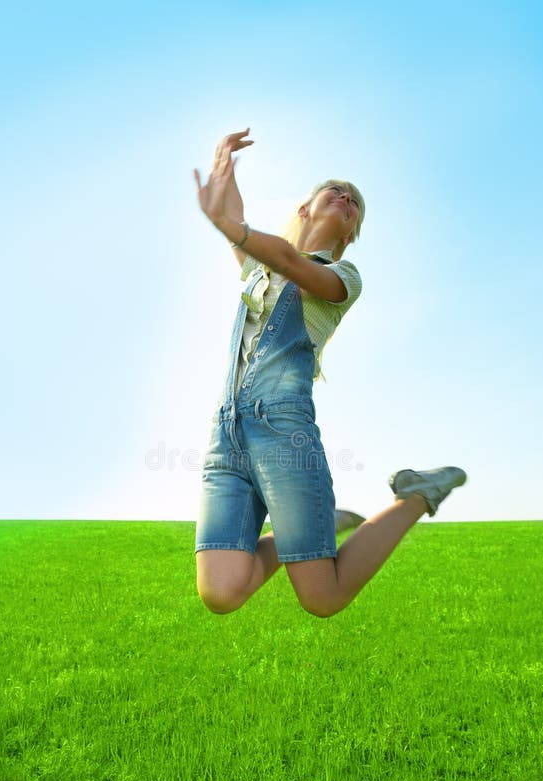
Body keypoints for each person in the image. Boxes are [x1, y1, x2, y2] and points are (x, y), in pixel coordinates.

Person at [193, 129, 466, 618]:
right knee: (221, 591)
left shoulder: (343, 277)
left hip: (283, 431)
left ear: (348, 236)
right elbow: (236, 223)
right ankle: (325, 523)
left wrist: (229, 227)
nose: (346, 198)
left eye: (354, 203)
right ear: (305, 208)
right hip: (227, 432)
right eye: (335, 191)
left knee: (324, 597)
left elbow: (287, 258)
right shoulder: (258, 268)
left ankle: (417, 494)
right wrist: (224, 165)